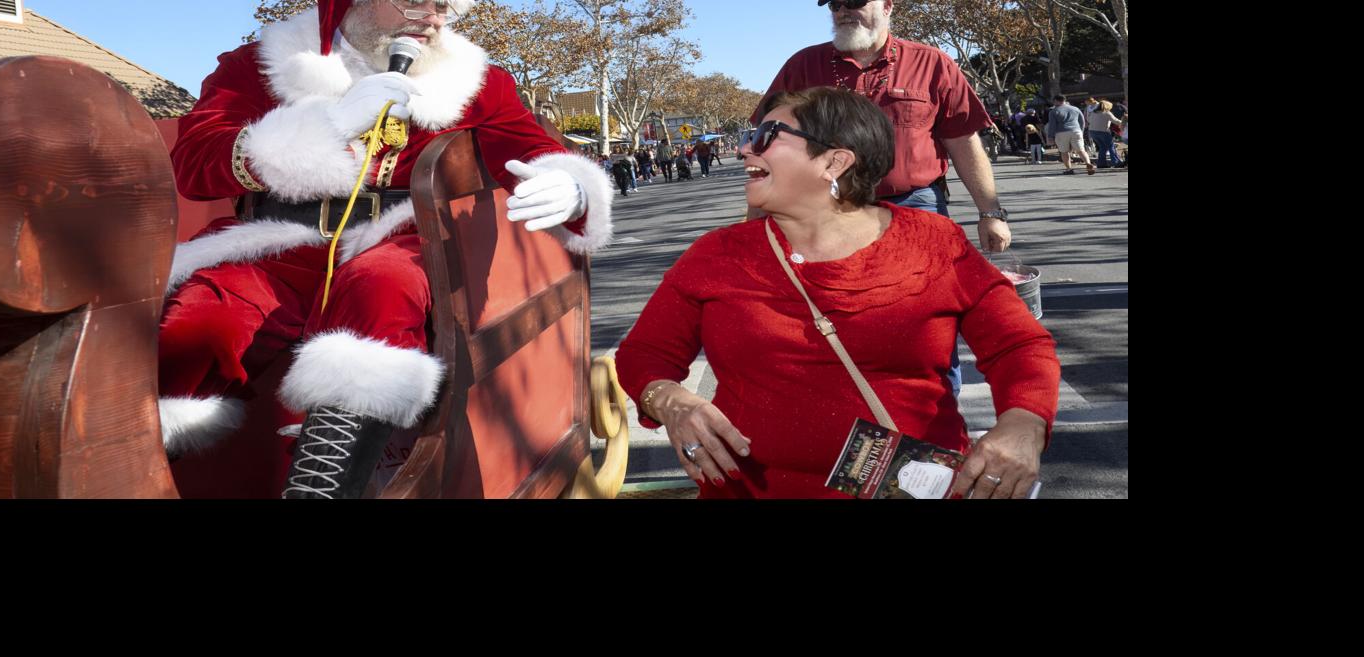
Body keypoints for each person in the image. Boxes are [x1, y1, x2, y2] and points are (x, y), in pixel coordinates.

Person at [161, 0, 614, 498]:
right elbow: (194, 162)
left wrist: (572, 187)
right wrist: (326, 126)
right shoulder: (260, 64)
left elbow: (536, 150)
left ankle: (326, 485)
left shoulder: (474, 79)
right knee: (204, 320)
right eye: (417, 1)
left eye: (443, 6)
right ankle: (132, 462)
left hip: (399, 240)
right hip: (276, 245)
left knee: (381, 287)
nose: (433, 18)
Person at [614, 87, 1059, 499]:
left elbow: (1018, 345)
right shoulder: (716, 255)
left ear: (835, 162)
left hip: (916, 486)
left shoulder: (934, 241)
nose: (745, 148)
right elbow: (644, 353)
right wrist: (671, 402)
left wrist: (1024, 421)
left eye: (768, 135)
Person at [755, 0, 1015, 400]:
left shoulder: (931, 63)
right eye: (835, 4)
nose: (843, 11)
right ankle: (859, 419)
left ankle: (936, 417)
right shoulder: (802, 67)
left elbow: (963, 140)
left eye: (855, 2)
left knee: (927, 316)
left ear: (888, 5)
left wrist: (990, 212)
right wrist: (755, 225)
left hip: (915, 206)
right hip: (826, 212)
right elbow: (770, 144)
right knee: (836, 321)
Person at [1046, 94, 1093, 176]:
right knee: (1081, 150)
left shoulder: (1053, 111)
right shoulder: (1075, 109)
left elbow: (1052, 125)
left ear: (1056, 101)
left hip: (1061, 132)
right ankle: (1088, 163)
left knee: (1064, 152)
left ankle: (1069, 169)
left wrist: (1050, 136)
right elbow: (1082, 121)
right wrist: (1081, 131)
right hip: (1076, 130)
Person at [1088, 99, 1123, 169]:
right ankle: (1116, 162)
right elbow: (1116, 121)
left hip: (1092, 132)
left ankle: (1101, 164)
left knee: (1102, 147)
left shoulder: (1093, 112)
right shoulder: (1107, 113)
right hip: (1103, 132)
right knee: (1111, 146)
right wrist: (1124, 122)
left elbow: (1088, 120)